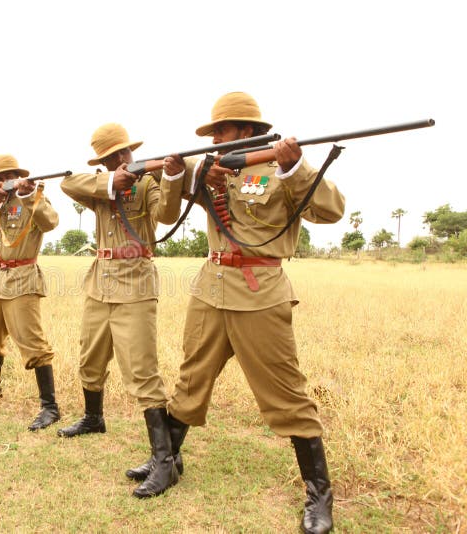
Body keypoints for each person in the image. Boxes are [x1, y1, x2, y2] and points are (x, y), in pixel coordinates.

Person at [153, 92, 344, 533]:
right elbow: (166, 212)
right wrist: (182, 173)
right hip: (210, 289)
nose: (215, 138)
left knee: (286, 393)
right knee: (191, 378)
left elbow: (331, 211)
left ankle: (320, 495)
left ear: (248, 130)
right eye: (213, 133)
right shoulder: (212, 169)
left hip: (260, 293)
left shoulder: (279, 169)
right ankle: (167, 460)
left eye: (222, 131)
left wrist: (295, 168)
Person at [58, 124, 184, 497]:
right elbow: (68, 184)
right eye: (108, 158)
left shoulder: (148, 182)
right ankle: (94, 418)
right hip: (100, 282)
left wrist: (172, 177)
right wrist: (111, 180)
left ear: (129, 151)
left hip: (135, 283)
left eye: (119, 155)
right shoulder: (101, 185)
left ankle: (164, 461)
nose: (117, 160)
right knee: (90, 357)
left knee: (142, 371)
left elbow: (167, 214)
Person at [0, 155, 61, 431]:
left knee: (32, 344)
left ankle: (50, 407)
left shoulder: (33, 198)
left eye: (7, 176)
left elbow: (51, 222)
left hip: (23, 278)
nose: (3, 182)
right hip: (0, 278)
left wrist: (31, 194)